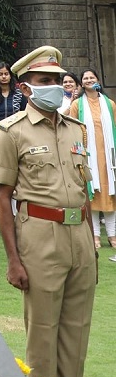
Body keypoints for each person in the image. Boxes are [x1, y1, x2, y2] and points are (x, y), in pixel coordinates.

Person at [0, 45, 96, 377]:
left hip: (79, 234)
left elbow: (84, 188)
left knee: (76, 333)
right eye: (44, 80)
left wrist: (92, 245)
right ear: (25, 87)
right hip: (39, 234)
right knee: (42, 333)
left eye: (57, 78)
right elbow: (3, 197)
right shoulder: (12, 132)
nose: (54, 84)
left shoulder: (75, 129)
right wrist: (13, 260)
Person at [72, 67, 115, 257]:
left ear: (98, 80)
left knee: (110, 193)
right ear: (81, 84)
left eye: (92, 77)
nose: (89, 80)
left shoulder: (110, 104)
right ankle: (95, 235)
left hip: (109, 156)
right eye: (85, 78)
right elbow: (72, 130)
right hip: (88, 156)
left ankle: (113, 235)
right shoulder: (76, 105)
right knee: (92, 194)